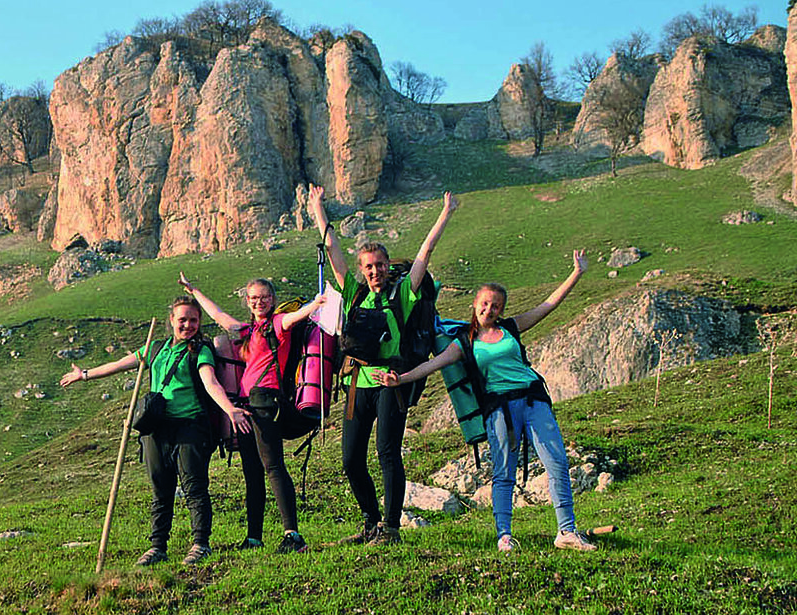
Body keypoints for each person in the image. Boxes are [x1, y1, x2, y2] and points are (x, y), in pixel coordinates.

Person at [394, 249, 598, 552]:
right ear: (475, 305)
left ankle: (566, 531)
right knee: (504, 471)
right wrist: (400, 378)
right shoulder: (464, 342)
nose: (489, 309)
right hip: (498, 409)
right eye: (485, 303)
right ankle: (504, 535)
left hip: (532, 399)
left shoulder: (511, 328)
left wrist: (577, 273)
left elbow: (548, 306)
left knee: (556, 462)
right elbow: (431, 365)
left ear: (501, 309)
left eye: (496, 306)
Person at [308, 185, 459, 545]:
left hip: (393, 382)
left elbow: (425, 253)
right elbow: (334, 253)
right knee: (350, 460)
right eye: (369, 267)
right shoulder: (354, 294)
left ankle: (390, 528)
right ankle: (369, 522)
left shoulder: (403, 293)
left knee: (387, 452)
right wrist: (318, 210)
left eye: (380, 265)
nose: (375, 271)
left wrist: (445, 214)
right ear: (362, 270)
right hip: (357, 384)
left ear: (389, 267)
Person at [60, 297, 251, 567]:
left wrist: (229, 409)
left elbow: (210, 382)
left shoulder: (200, 350)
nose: (187, 325)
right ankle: (157, 546)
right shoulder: (156, 348)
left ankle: (200, 544)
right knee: (161, 488)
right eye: (182, 319)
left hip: (191, 426)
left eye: (193, 320)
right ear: (171, 320)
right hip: (155, 428)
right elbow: (120, 364)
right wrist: (85, 375)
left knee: (194, 487)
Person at [179, 272, 324, 554]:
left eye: (264, 297)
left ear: (273, 300)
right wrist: (194, 290)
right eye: (254, 298)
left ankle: (292, 534)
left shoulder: (277, 324)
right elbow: (220, 315)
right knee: (252, 472)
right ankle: (254, 537)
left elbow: (294, 319)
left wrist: (315, 304)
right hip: (245, 407)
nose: (259, 302)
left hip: (266, 402)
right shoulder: (248, 331)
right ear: (247, 301)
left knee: (273, 466)